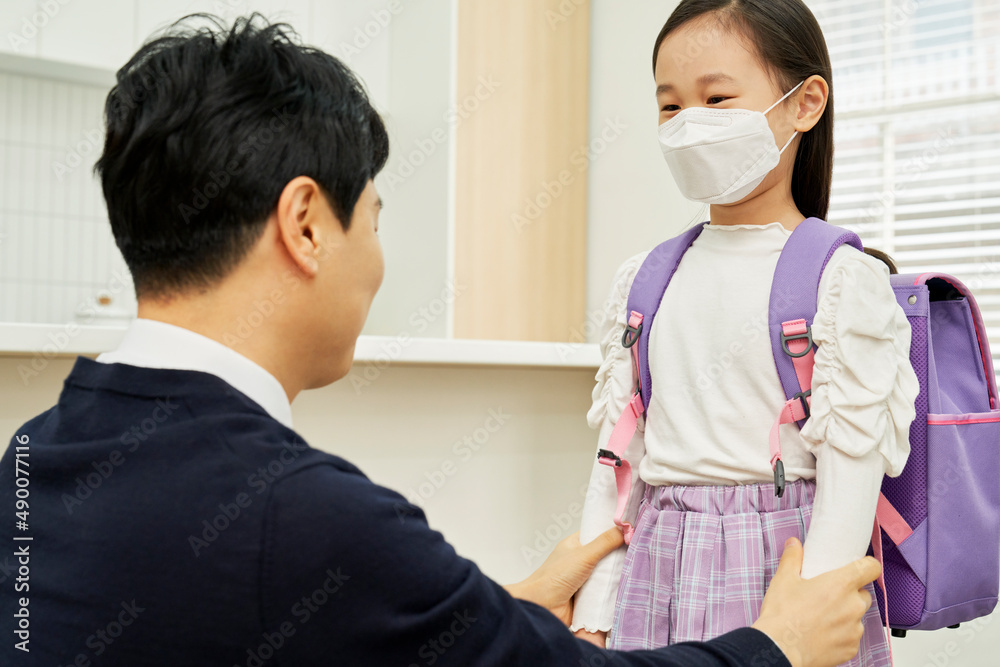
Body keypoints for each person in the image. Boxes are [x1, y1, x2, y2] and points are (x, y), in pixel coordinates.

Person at [0, 14, 881, 667]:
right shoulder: (309, 513)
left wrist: (496, 606)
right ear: (306, 224)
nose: (379, 260)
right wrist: (776, 649)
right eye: (374, 219)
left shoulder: (35, 459)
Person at [570, 0, 921, 664]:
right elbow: (618, 466)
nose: (688, 125)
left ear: (804, 103)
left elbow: (850, 485)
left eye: (717, 98)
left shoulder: (842, 281)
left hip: (785, 575)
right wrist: (591, 613)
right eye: (670, 107)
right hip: (655, 569)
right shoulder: (642, 279)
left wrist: (812, 622)